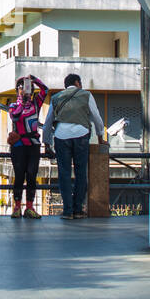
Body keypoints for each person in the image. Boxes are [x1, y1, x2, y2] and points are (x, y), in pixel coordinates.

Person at [42, 73, 107, 220]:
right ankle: (78, 210)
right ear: (77, 82)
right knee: (80, 172)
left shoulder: (56, 97)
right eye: (80, 82)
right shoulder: (86, 95)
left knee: (64, 174)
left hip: (61, 136)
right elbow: (96, 117)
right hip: (81, 134)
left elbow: (47, 123)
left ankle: (67, 211)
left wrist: (46, 143)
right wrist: (100, 137)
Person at [6, 74, 48, 219]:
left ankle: (29, 207)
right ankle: (17, 206)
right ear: (17, 90)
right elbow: (15, 117)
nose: (24, 90)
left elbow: (45, 90)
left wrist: (35, 79)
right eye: (21, 87)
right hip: (18, 144)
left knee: (31, 175)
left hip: (33, 144)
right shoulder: (13, 105)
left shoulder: (36, 103)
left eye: (27, 87)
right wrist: (23, 103)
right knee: (19, 175)